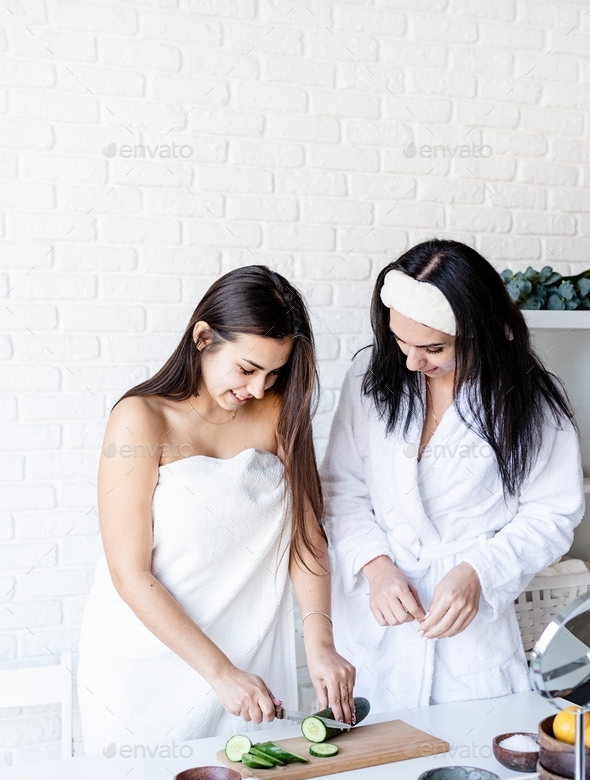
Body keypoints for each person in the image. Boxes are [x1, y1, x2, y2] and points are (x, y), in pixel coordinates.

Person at [78, 266, 355, 753]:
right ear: (203, 338)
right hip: (148, 666)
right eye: (248, 369)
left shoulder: (277, 411)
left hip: (251, 668)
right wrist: (220, 672)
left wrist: (321, 645)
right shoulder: (141, 419)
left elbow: (307, 537)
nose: (258, 388)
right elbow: (130, 574)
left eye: (274, 373)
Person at [321, 240, 585, 712]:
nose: (411, 363)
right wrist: (375, 566)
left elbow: (553, 512)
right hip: (379, 622)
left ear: (481, 332)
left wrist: (480, 573)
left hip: (471, 635)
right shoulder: (371, 376)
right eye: (401, 342)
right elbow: (342, 487)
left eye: (433, 348)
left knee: (472, 763)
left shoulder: (530, 401)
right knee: (373, 762)